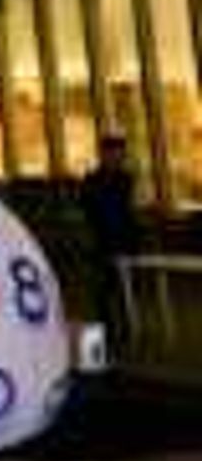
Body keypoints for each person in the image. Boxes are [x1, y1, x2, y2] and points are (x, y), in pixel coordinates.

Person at [79, 133, 143, 353]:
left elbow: (129, 212)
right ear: (104, 154)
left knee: (125, 289)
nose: (118, 157)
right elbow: (91, 212)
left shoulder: (125, 179)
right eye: (114, 153)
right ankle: (111, 332)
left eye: (120, 153)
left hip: (123, 241)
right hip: (104, 242)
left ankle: (127, 330)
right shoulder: (94, 181)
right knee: (105, 291)